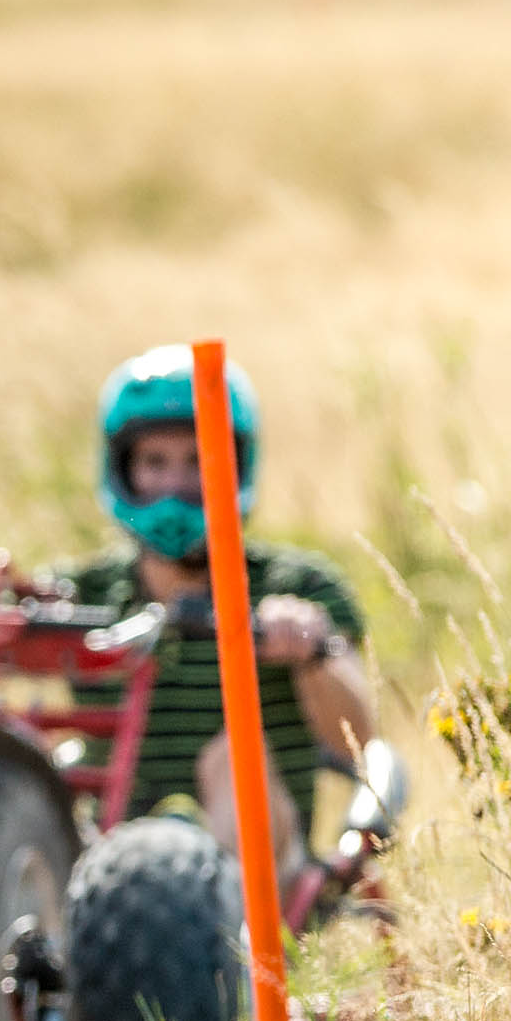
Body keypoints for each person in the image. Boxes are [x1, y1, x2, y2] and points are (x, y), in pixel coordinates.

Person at [52, 345, 377, 877]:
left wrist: (314, 650)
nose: (176, 485)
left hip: (263, 872)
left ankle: (228, 940)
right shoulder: (83, 592)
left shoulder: (299, 586)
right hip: (105, 866)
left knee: (231, 757)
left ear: (235, 465)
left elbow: (360, 742)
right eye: (155, 463)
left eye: (198, 461)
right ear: (123, 471)